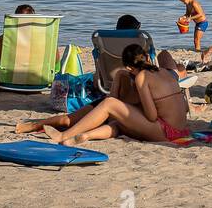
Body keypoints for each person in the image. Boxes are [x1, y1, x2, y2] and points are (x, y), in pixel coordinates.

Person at [42, 44, 192, 146]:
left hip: (166, 132)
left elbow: (151, 116)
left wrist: (122, 80)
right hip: (181, 129)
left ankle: (63, 136)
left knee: (109, 104)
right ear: (147, 57)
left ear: (128, 66)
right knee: (119, 123)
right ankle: (85, 136)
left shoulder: (142, 77)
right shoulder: (165, 72)